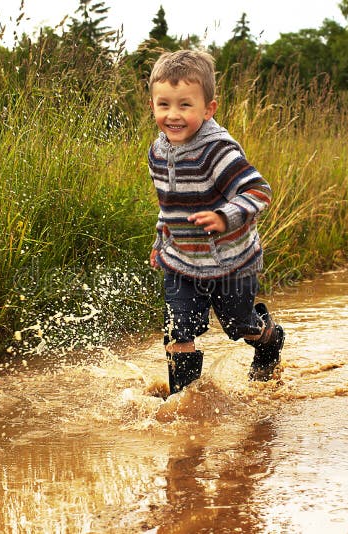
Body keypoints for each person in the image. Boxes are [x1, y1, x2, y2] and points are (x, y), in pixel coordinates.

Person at [147, 49, 285, 397]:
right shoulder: (157, 153)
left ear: (209, 109)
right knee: (179, 331)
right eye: (164, 105)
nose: (173, 115)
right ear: (152, 105)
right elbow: (169, 206)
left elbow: (258, 191)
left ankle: (269, 339)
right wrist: (160, 242)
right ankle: (184, 408)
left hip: (232, 263)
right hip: (182, 261)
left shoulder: (217, 152)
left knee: (239, 326)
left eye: (185, 105)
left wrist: (225, 216)